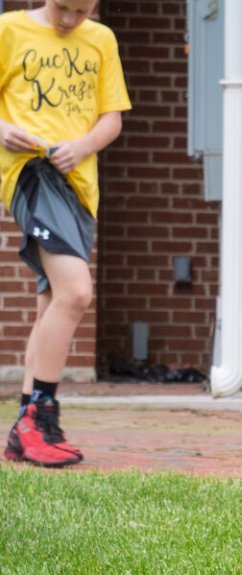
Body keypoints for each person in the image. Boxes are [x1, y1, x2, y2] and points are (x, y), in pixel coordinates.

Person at [0, 0, 129, 468]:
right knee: (76, 292)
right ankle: (41, 417)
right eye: (62, 8)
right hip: (31, 174)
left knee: (52, 301)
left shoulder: (101, 39)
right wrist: (3, 129)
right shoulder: (8, 30)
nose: (71, 19)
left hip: (79, 186)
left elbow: (111, 118)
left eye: (82, 10)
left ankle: (23, 428)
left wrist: (82, 146)